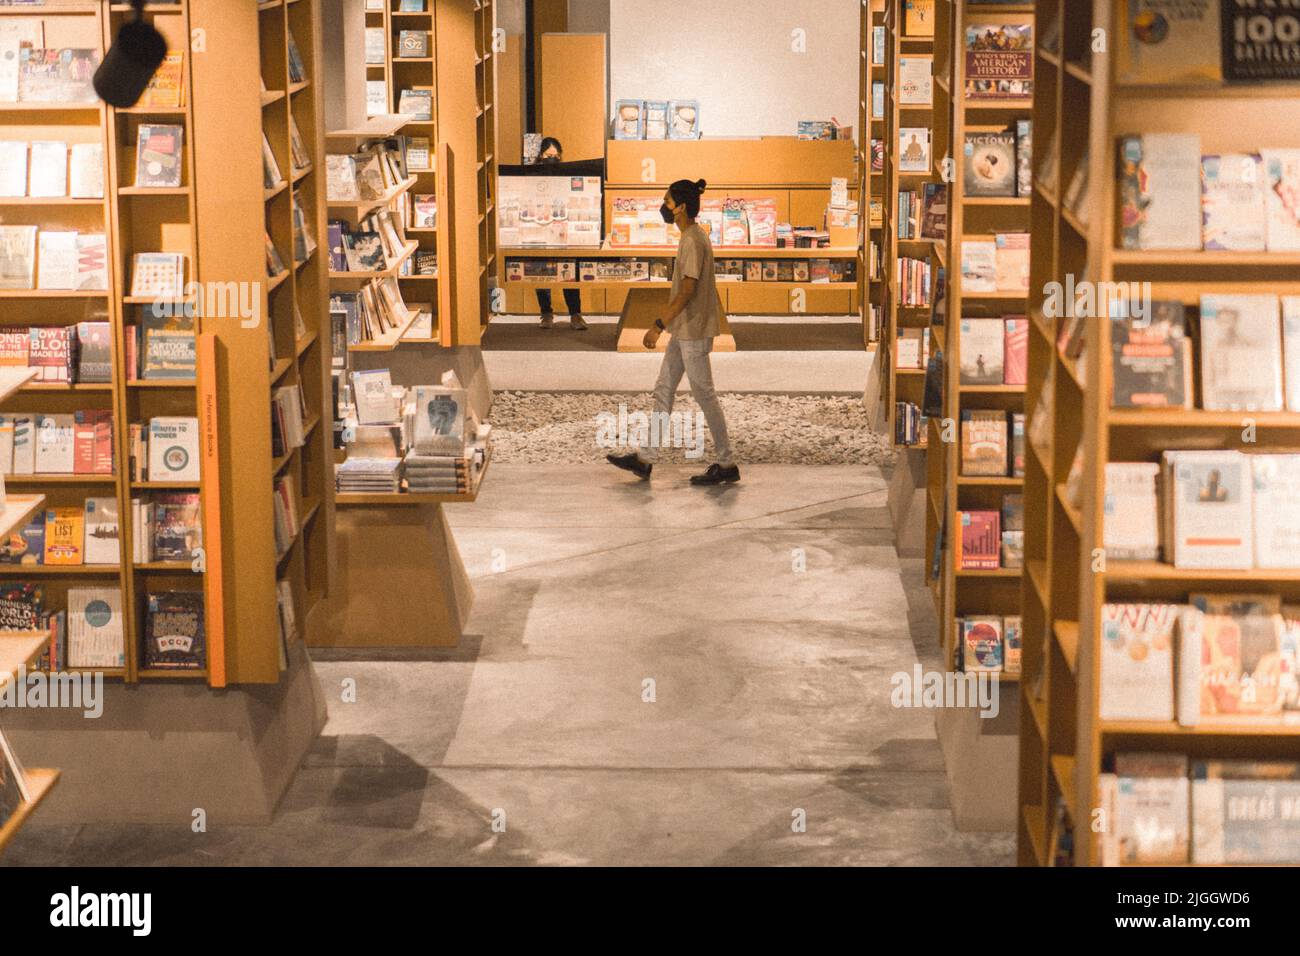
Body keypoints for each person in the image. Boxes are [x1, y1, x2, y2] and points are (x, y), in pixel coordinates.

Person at [607, 178, 739, 486]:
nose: (664, 208)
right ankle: (645, 459)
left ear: (680, 207)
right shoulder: (691, 236)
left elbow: (687, 291)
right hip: (685, 330)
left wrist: (657, 325)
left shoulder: (693, 240)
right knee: (664, 388)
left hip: (692, 330)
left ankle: (727, 462)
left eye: (667, 203)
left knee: (705, 395)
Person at [533, 136, 587, 331]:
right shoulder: (532, 175)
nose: (552, 159)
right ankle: (546, 313)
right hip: (539, 227)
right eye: (548, 155)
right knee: (540, 272)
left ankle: (575, 314)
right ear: (540, 155)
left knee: (569, 271)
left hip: (563, 228)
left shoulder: (566, 174)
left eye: (556, 156)